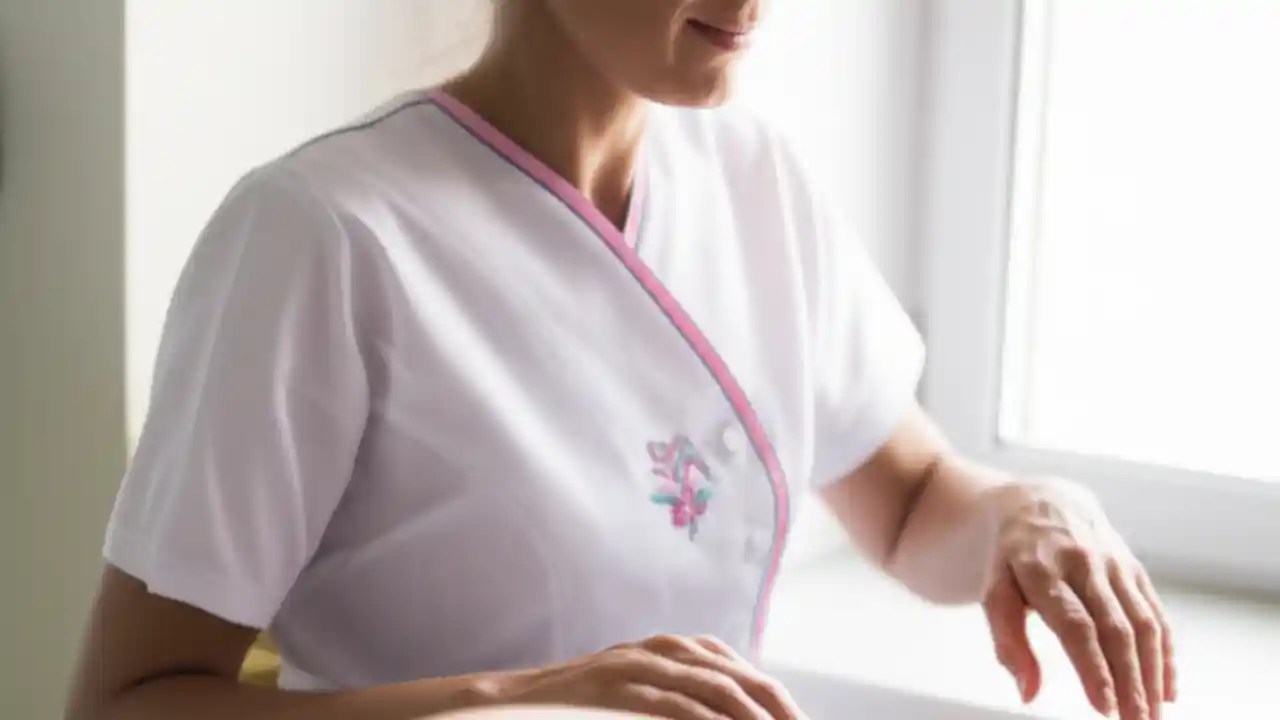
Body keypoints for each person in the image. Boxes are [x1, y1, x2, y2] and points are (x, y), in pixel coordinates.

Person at [66, 2, 1176, 720]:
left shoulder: (756, 177)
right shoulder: (322, 234)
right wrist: (521, 699)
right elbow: (131, 700)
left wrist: (1028, 510)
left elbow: (910, 504)